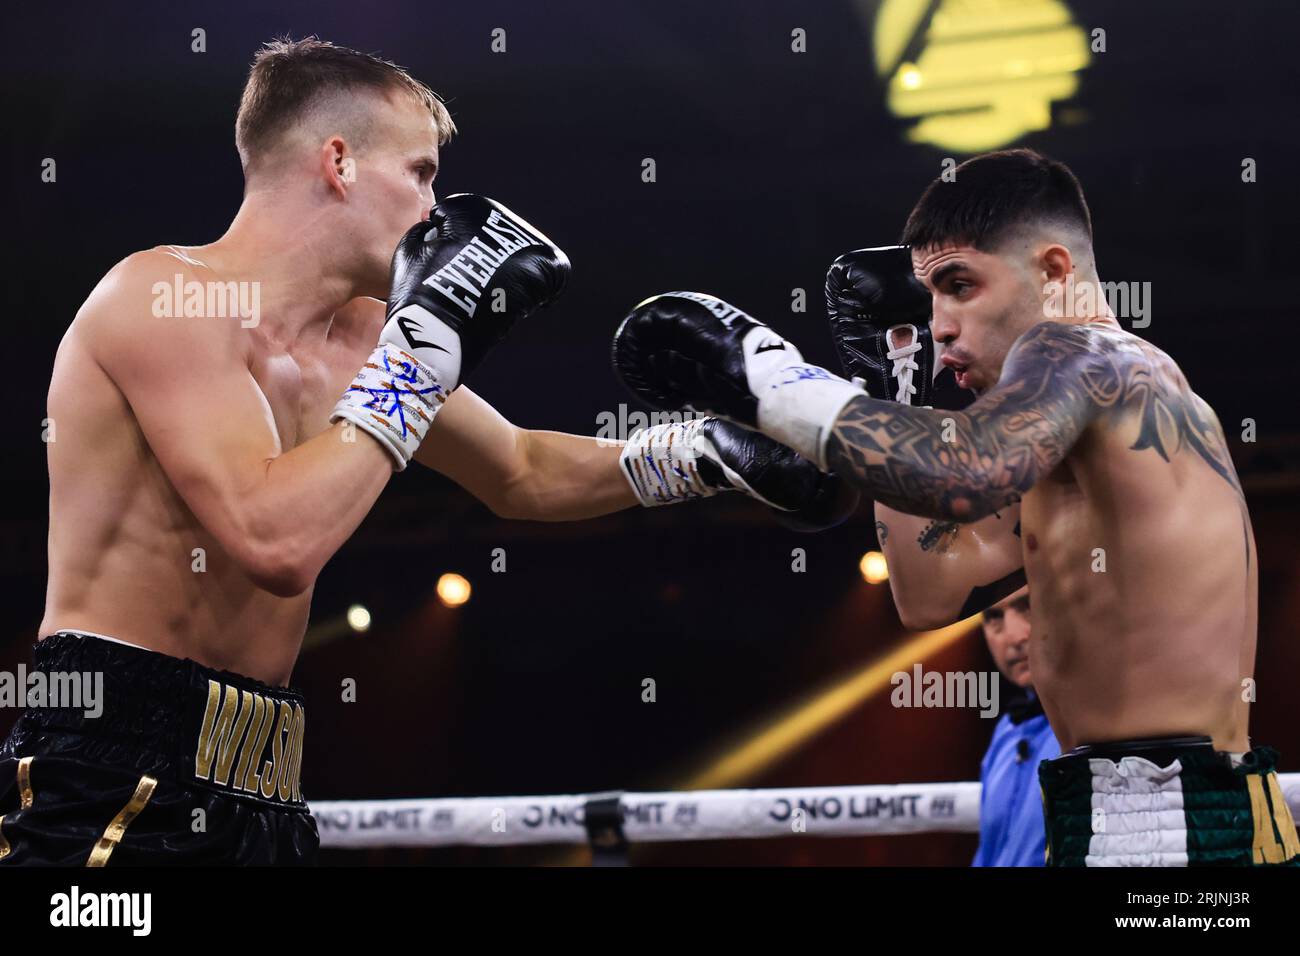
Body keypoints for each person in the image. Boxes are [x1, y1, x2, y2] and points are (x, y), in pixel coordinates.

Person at [0, 38, 853, 867]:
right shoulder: (165, 297)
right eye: (421, 173)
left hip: (261, 776)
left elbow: (520, 470)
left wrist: (699, 453)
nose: (435, 212)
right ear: (338, 162)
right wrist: (415, 363)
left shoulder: (371, 341)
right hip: (106, 761)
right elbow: (273, 539)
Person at [612, 148, 1299, 866]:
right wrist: (892, 388)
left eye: (958, 285)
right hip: (1149, 815)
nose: (938, 328)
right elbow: (930, 593)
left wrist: (765, 373)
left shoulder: (1089, 356)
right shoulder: (1089, 435)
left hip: (1167, 823)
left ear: (1055, 273)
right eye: (928, 298)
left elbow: (961, 471)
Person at [971, 587, 1059, 867]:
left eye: (1028, 605)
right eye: (994, 616)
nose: (1013, 637)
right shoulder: (1006, 731)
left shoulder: (1106, 725)